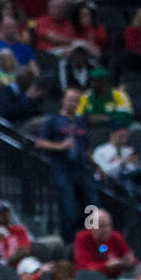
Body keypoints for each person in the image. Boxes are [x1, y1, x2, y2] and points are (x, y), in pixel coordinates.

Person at [34, 87, 95, 244]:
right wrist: (60, 146)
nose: (72, 103)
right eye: (70, 99)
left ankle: (92, 237)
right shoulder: (53, 120)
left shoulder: (81, 122)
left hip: (81, 168)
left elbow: (87, 149)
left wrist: (98, 167)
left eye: (76, 100)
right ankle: (69, 242)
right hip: (62, 167)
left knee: (92, 204)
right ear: (63, 100)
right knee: (68, 206)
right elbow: (40, 143)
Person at [73, 209, 136, 277]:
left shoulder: (116, 236)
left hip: (116, 278)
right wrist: (107, 265)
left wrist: (130, 262)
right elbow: (83, 269)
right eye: (102, 226)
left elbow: (131, 260)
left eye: (109, 225)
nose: (106, 230)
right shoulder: (82, 238)